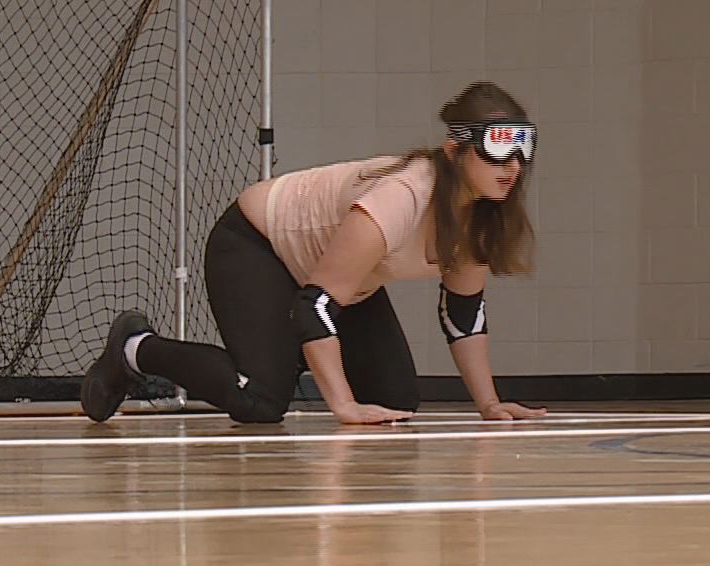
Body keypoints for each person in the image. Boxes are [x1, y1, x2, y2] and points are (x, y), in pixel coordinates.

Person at [82, 81, 548, 427]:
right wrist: (342, 406)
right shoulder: (402, 197)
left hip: (334, 282)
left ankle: (289, 351)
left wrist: (489, 404)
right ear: (455, 150)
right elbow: (315, 306)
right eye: (497, 152)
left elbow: (463, 314)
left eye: (522, 153)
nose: (512, 168)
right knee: (261, 401)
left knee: (397, 400)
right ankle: (134, 349)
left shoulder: (483, 215)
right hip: (259, 246)